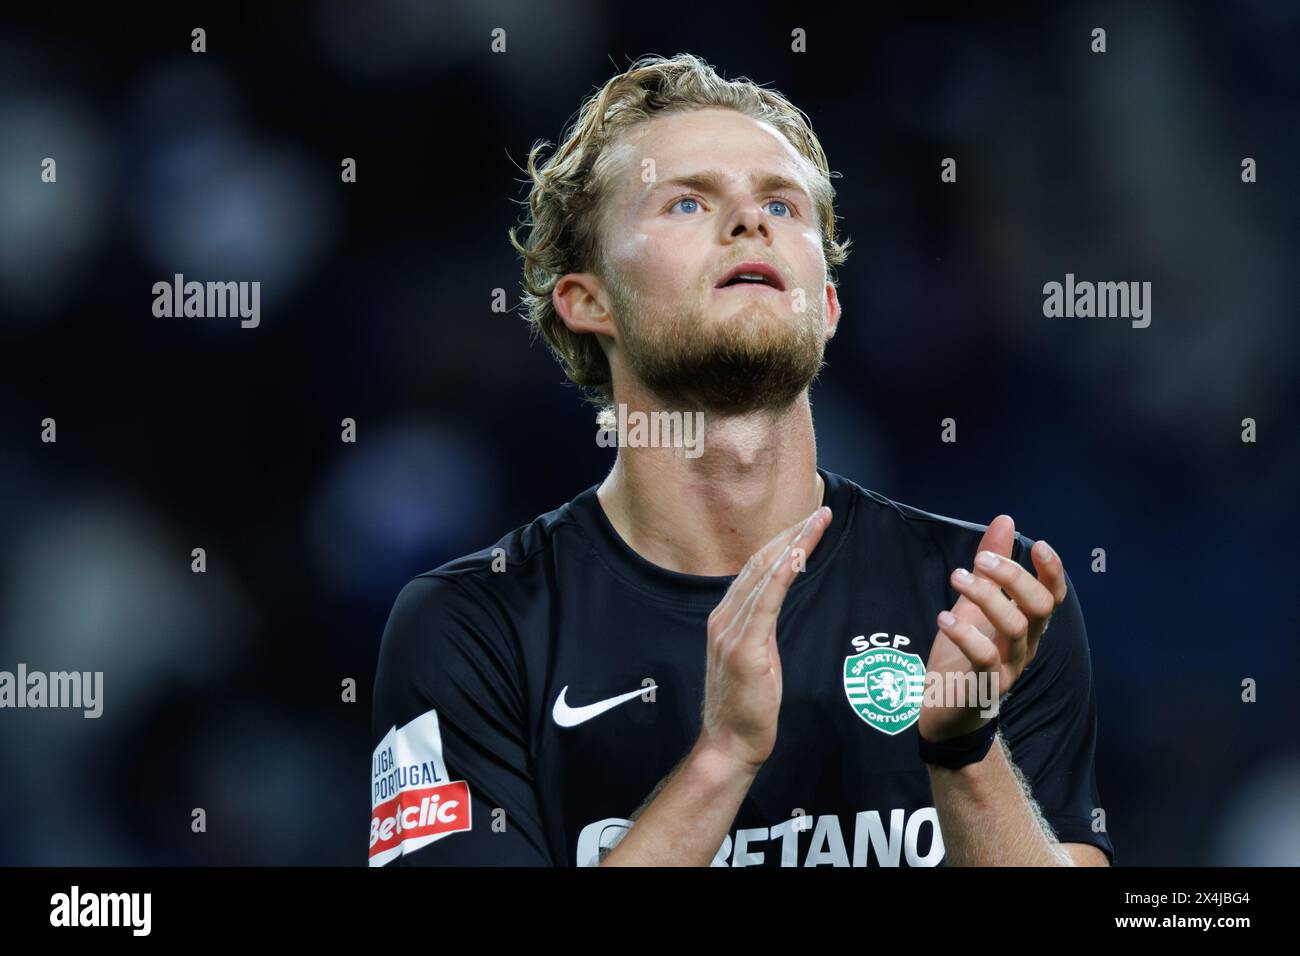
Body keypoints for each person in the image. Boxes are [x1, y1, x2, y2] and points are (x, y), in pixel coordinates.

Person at [369, 53, 1113, 867]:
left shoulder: (983, 596)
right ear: (588, 300)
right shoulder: (473, 627)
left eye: (781, 204)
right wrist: (722, 759)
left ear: (825, 306)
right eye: (687, 201)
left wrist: (966, 754)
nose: (750, 223)